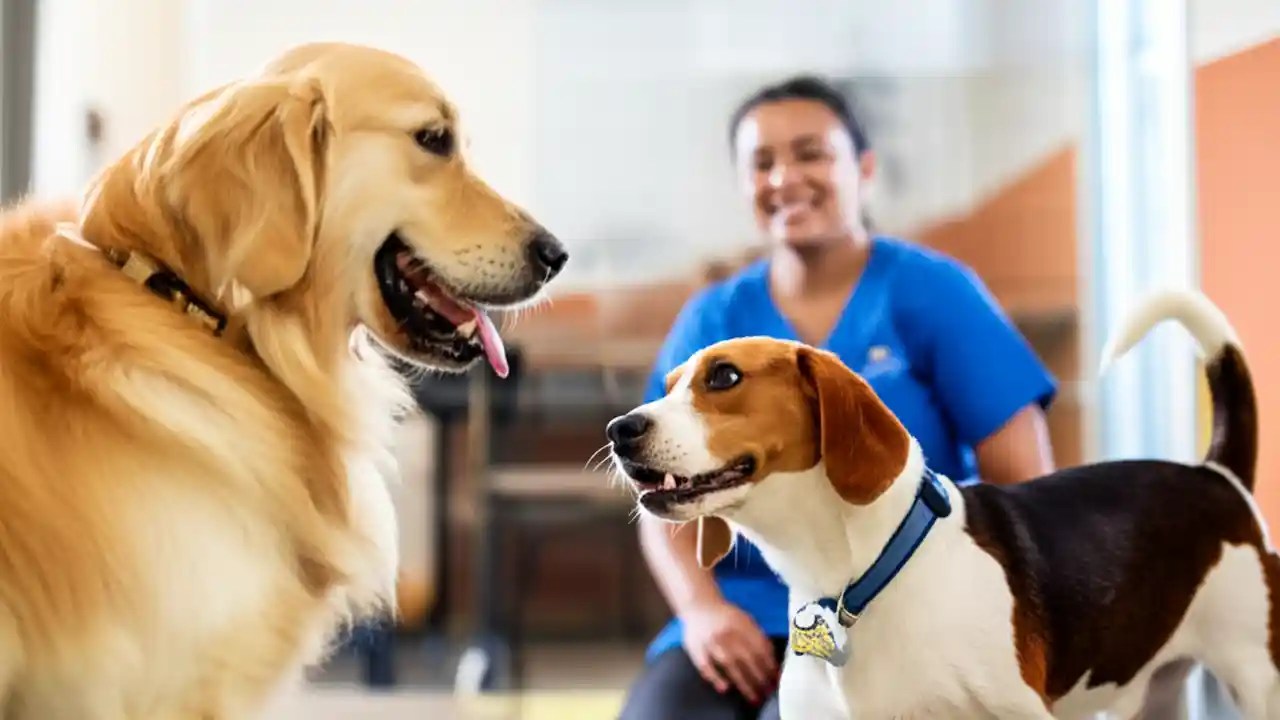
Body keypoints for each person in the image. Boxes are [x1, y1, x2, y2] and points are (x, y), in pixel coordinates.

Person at [617, 75, 1058, 720]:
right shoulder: (714, 318)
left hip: (908, 609)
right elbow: (664, 498)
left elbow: (1024, 489)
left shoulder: (934, 294)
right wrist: (703, 612)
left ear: (865, 168)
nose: (784, 177)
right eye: (761, 163)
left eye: (811, 153)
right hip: (746, 616)